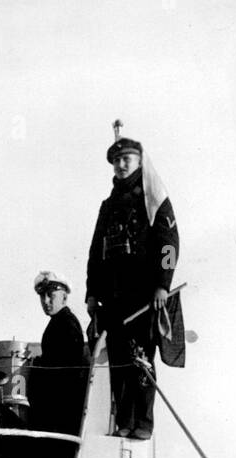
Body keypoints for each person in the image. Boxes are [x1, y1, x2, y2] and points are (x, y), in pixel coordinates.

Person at [85, 133, 179, 440]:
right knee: (119, 366)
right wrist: (91, 292)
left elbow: (169, 244)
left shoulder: (153, 199)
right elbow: (95, 251)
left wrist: (162, 285)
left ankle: (144, 423)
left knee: (141, 360)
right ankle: (124, 420)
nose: (121, 165)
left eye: (126, 159)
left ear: (139, 161)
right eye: (116, 161)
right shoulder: (108, 205)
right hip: (113, 298)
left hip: (143, 295)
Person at [26, 272, 88, 442]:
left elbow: (65, 367)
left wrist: (36, 366)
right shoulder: (59, 321)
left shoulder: (66, 323)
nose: (46, 301)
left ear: (64, 298)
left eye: (50, 295)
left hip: (59, 411)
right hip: (56, 409)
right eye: (42, 297)